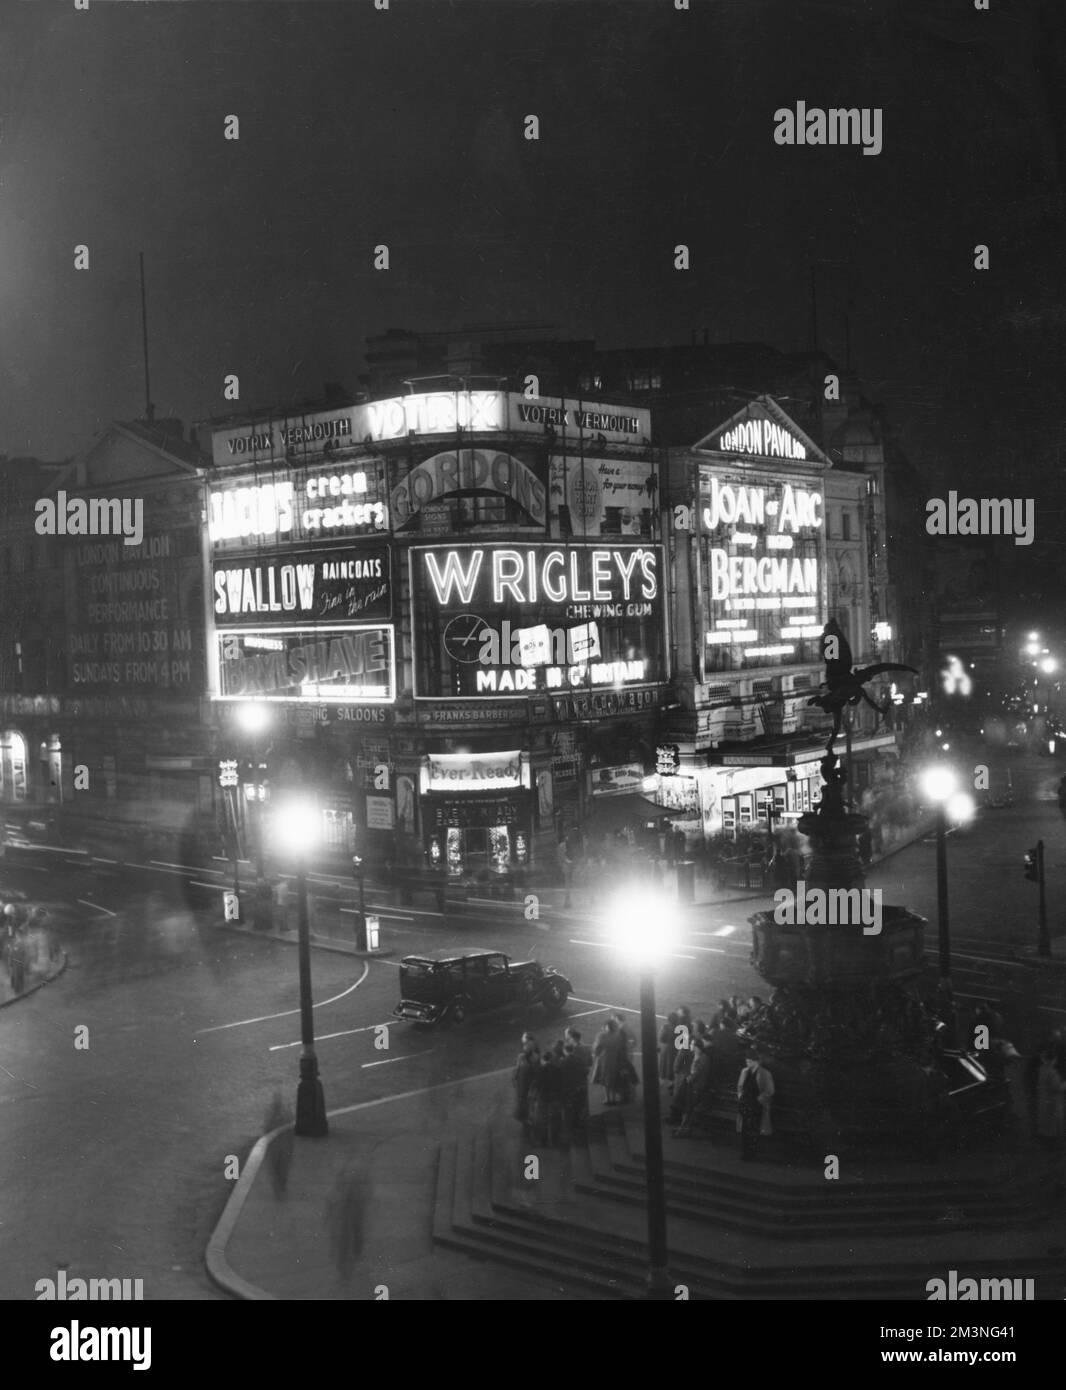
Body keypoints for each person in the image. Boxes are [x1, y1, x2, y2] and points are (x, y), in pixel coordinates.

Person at [736, 1053, 774, 1161]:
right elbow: (740, 1086)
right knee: (744, 1129)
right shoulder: (744, 1071)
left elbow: (769, 1090)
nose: (747, 1063)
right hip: (745, 1103)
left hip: (756, 1105)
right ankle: (744, 1151)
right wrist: (740, 1097)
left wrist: (759, 1100)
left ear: (756, 1061)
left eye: (749, 1061)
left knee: (753, 1129)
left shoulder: (764, 1073)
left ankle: (750, 1153)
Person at [592, 1018, 627, 1106]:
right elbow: (622, 1049)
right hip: (616, 1059)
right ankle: (614, 1098)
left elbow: (597, 1049)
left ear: (606, 1027)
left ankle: (608, 1099)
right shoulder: (618, 1036)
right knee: (614, 1079)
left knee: (605, 1080)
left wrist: (596, 1054)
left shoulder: (601, 1035)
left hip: (604, 1060)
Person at [1036, 1048, 1066, 1144]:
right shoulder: (1052, 1073)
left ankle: (1046, 1139)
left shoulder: (1041, 1070)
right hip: (1053, 1100)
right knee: (1054, 1121)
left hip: (1044, 1098)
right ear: (1053, 1060)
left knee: (1045, 1120)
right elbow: (1057, 1088)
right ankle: (1054, 1142)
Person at [512, 1034, 540, 1135]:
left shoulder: (534, 1058)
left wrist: (534, 1085)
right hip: (522, 1085)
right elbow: (517, 1068)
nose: (525, 1050)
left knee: (529, 1103)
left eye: (527, 1049)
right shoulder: (522, 1057)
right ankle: (525, 1120)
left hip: (528, 1085)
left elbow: (536, 1072)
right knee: (523, 1102)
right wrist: (515, 1078)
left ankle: (529, 1120)